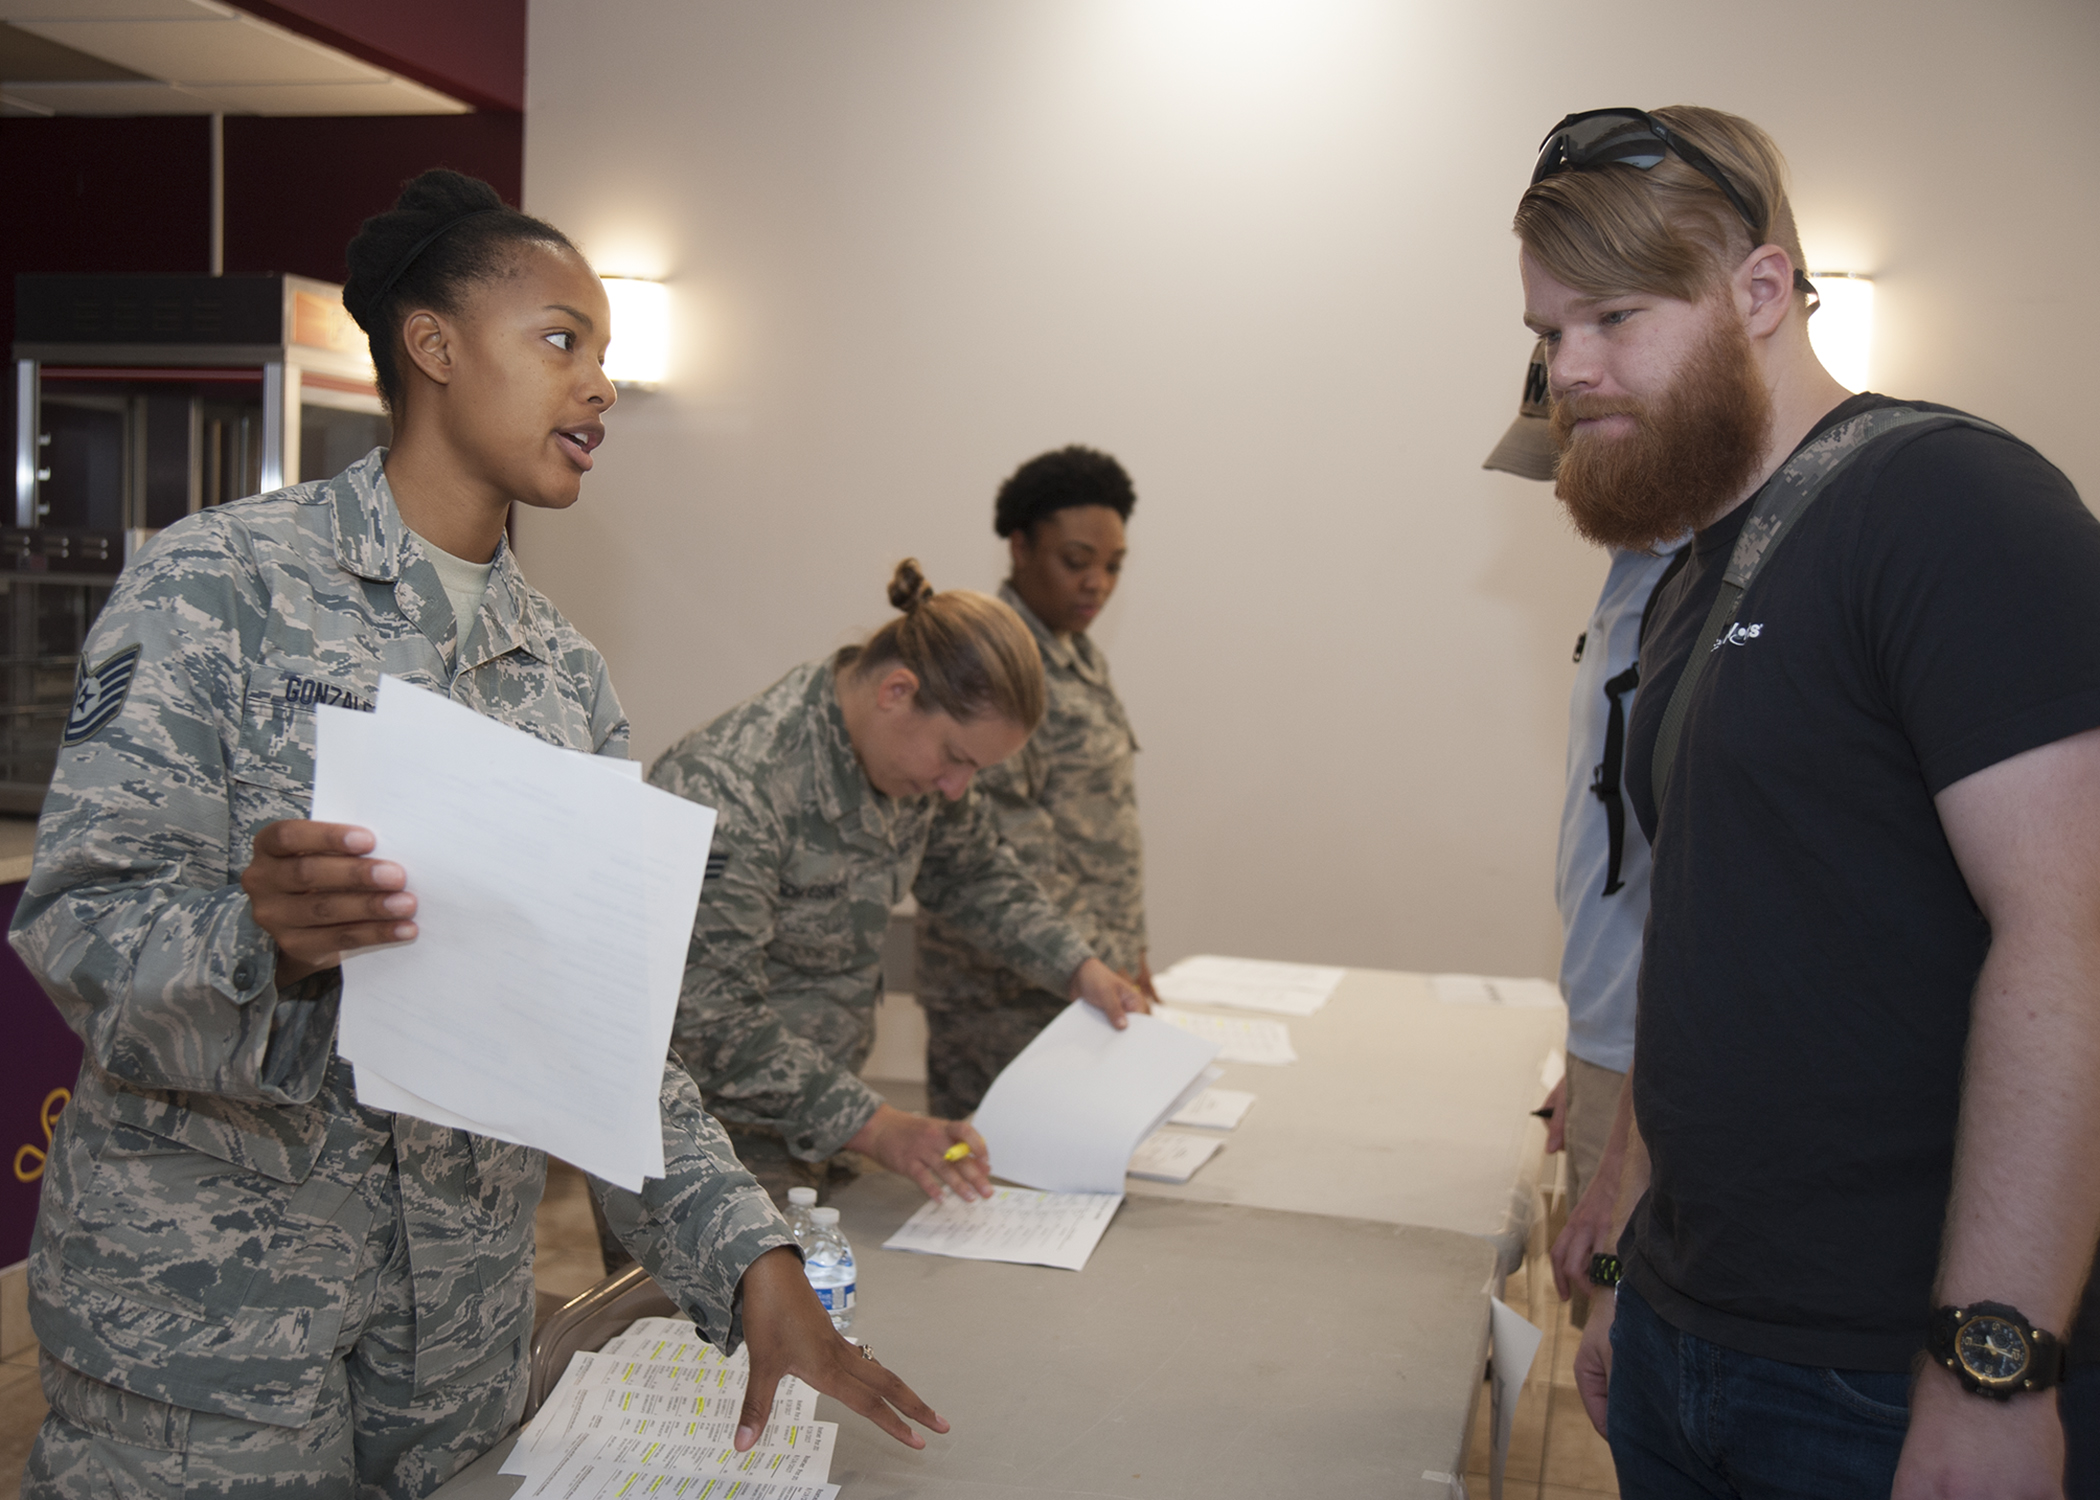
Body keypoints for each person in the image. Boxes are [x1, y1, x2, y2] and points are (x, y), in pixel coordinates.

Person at [11, 169, 942, 1500]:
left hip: (445, 1357)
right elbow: (78, 926)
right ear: (433, 348)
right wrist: (260, 944)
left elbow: (606, 1038)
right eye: (563, 341)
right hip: (206, 1352)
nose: (601, 385)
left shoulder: (562, 680)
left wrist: (747, 1261)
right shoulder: (219, 586)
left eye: (608, 356)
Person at [1514, 105, 2100, 1497]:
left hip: (1886, 1371)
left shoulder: (1954, 505)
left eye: (1609, 320)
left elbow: (2072, 939)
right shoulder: (1699, 574)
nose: (1567, 375)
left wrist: (1993, 1368)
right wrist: (1629, 1212)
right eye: (1547, 335)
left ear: (1761, 291)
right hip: (1689, 1327)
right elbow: (1709, 927)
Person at [643, 560, 1147, 1215]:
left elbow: (973, 872)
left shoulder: (910, 766)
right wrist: (879, 1127)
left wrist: (1078, 967)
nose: (956, 788)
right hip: (698, 1148)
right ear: (897, 692)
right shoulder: (731, 786)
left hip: (816, 1126)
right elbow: (708, 1021)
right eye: (957, 758)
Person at [1484, 343, 1682, 1331]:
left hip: (1664, 1071)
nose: (1562, 481)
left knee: (1623, 1334)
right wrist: (1591, 1048)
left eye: (1575, 448)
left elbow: (1704, 896)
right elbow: (1616, 860)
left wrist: (1624, 1144)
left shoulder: (1701, 586)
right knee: (1609, 1348)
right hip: (1619, 1045)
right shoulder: (1629, 579)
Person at [914, 445, 1151, 1118]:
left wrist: (1131, 949)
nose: (1097, 583)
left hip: (1083, 979)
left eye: (1113, 566)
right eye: (1076, 561)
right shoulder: (991, 662)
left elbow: (1100, 825)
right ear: (1020, 547)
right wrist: (1103, 963)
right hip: (1005, 994)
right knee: (1004, 1192)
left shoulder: (1076, 653)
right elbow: (1014, 851)